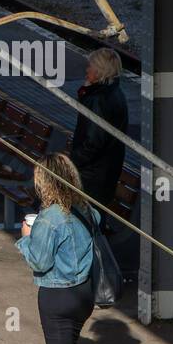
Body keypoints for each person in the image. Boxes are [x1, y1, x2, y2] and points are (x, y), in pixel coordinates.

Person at [16, 153, 99, 344]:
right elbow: (96, 223)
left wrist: (26, 236)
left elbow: (39, 261)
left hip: (57, 296)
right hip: (83, 294)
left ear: (45, 182)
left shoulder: (50, 218)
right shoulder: (85, 209)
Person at [70, 48, 129, 223]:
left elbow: (93, 141)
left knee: (83, 219)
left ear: (99, 70)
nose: (87, 70)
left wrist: (72, 162)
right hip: (105, 171)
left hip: (91, 174)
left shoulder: (98, 99)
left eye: (90, 66)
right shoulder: (115, 93)